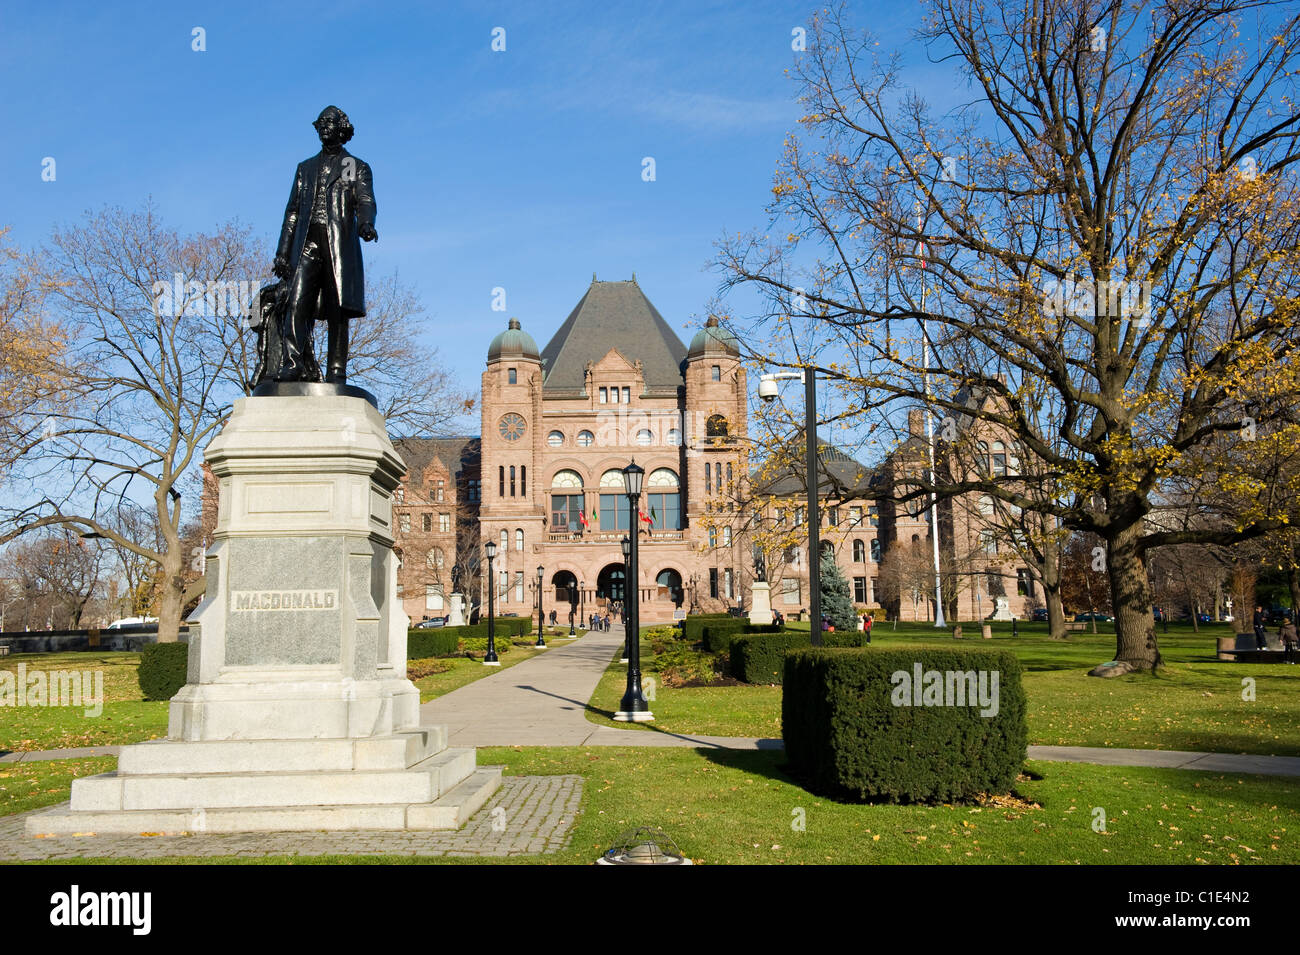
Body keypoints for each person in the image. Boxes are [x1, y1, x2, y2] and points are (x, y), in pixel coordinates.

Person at [274, 105, 378, 384]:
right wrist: (283, 251)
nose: (324, 127)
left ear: (342, 128)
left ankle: (336, 369)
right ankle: (292, 363)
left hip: (339, 243)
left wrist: (366, 224)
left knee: (338, 307)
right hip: (307, 243)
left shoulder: (353, 166)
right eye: (321, 123)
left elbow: (364, 200)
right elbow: (292, 211)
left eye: (330, 123)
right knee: (296, 302)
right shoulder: (305, 168)